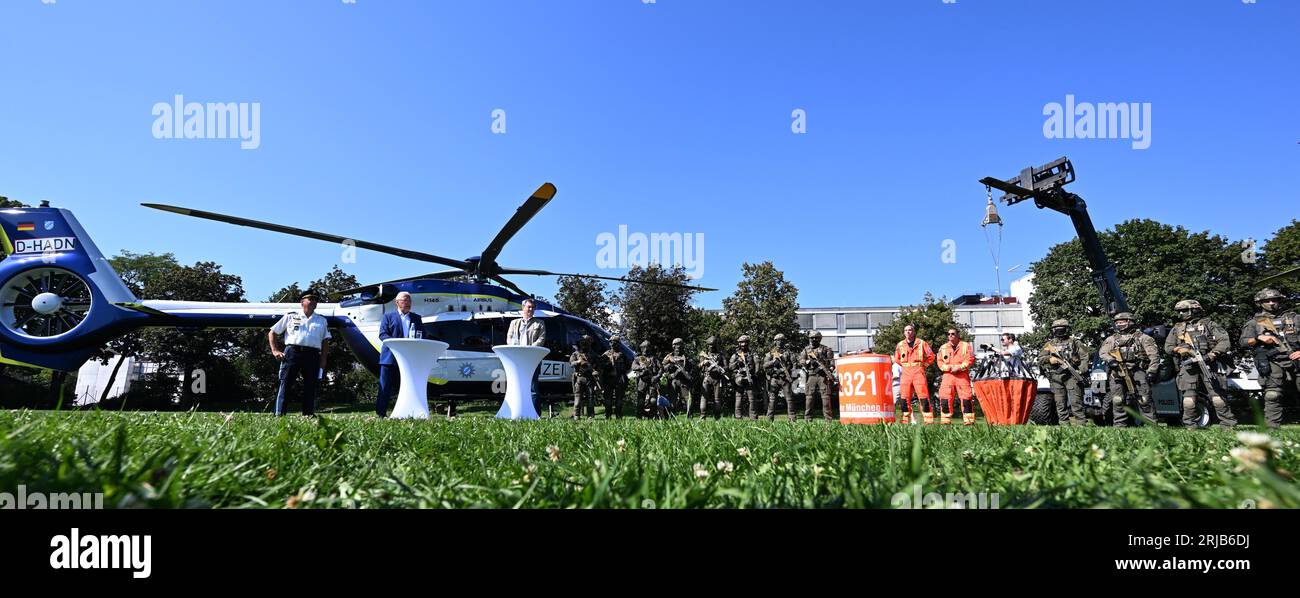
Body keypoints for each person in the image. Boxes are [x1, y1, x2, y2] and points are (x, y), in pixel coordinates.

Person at [1166, 300, 1236, 429]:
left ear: (1195, 309)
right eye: (1180, 311)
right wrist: (1179, 350)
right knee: (1188, 400)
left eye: (1184, 310)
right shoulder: (1178, 328)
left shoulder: (1210, 324)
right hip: (1189, 367)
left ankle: (1228, 425)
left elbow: (1225, 342)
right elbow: (1168, 347)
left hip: (1210, 364)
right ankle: (1190, 427)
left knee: (1218, 397)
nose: (1182, 313)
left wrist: (1212, 355)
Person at [1239, 288, 1300, 428]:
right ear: (1260, 303)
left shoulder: (1295, 318)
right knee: (1272, 394)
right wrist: (1258, 338)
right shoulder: (1254, 322)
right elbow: (1243, 342)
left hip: (1296, 358)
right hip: (1273, 361)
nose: (1271, 303)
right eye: (1267, 301)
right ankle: (1272, 427)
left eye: (1275, 300)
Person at [268, 289, 331, 417]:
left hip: (312, 354)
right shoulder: (291, 315)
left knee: (310, 385)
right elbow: (273, 332)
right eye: (311, 299)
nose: (314, 302)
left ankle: (308, 414)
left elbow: (325, 341)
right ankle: (279, 414)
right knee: (286, 383)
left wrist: (323, 359)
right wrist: (275, 350)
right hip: (293, 352)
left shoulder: (321, 320)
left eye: (316, 300)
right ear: (302, 302)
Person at [1100, 312, 1159, 427]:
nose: (1119, 324)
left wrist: (1152, 370)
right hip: (1118, 372)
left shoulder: (1143, 338)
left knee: (1144, 399)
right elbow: (1103, 352)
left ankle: (1151, 426)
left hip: (1138, 371)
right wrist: (1111, 360)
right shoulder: (1111, 339)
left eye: (1122, 322)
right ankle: (1120, 427)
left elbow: (1154, 356)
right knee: (1117, 400)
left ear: (1130, 321)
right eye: (1117, 322)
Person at [375, 291, 424, 418]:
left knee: (408, 387)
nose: (407, 302)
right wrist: (396, 344)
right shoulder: (388, 316)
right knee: (385, 387)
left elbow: (422, 335)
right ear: (397, 303)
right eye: (404, 300)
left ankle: (407, 413)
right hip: (390, 358)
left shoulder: (417, 318)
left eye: (409, 300)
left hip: (409, 359)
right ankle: (381, 414)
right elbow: (383, 334)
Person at [1037, 319, 1090, 426]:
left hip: (1072, 376)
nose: (1059, 331)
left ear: (1067, 329)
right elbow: (1040, 358)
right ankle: (1064, 425)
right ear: (1053, 330)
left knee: (1076, 402)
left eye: (1062, 329)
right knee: (1060, 403)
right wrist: (1049, 359)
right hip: (1056, 376)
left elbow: (1085, 357)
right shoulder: (1049, 344)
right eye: (1057, 329)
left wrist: (1081, 370)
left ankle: (1081, 425)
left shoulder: (1075, 342)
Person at [507, 298, 548, 413]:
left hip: (532, 359)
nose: (531, 309)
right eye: (529, 307)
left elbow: (541, 339)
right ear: (523, 308)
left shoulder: (540, 323)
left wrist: (529, 351)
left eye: (533, 307)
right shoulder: (514, 323)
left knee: (533, 389)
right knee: (517, 387)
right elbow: (509, 339)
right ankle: (518, 412)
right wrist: (516, 350)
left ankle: (535, 415)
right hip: (517, 359)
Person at [892, 324, 935, 424]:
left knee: (923, 396)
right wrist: (905, 366)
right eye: (906, 330)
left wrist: (923, 366)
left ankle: (928, 420)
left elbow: (931, 356)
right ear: (904, 332)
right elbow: (897, 359)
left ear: (914, 332)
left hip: (918, 372)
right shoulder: (900, 345)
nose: (908, 332)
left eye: (910, 330)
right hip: (905, 373)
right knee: (904, 397)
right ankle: (905, 420)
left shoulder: (922, 343)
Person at [936, 328, 975, 425]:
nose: (950, 335)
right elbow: (939, 362)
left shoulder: (966, 346)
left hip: (962, 376)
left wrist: (959, 368)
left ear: (958, 335)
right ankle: (945, 422)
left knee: (966, 398)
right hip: (948, 376)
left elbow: (970, 359)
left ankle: (968, 422)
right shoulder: (943, 347)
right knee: (945, 397)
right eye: (948, 334)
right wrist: (949, 368)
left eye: (953, 334)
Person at [800, 331, 837, 421]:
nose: (814, 339)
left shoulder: (826, 349)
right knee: (809, 398)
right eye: (812, 338)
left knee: (825, 398)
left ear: (820, 338)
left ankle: (828, 420)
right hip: (811, 375)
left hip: (823, 376)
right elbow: (801, 360)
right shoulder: (806, 350)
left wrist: (829, 370)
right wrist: (808, 362)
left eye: (816, 337)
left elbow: (832, 362)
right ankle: (808, 420)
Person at [764, 333, 797, 421]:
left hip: (786, 379)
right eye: (778, 340)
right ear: (775, 342)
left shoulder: (789, 353)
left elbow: (794, 365)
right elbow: (765, 365)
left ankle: (792, 419)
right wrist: (773, 361)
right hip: (774, 379)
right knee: (772, 400)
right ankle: (769, 420)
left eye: (781, 340)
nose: (780, 342)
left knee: (789, 399)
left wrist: (793, 377)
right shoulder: (770, 353)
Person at [697, 336, 728, 420]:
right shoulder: (704, 355)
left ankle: (717, 418)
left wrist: (722, 370)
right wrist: (704, 362)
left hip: (717, 379)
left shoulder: (721, 355)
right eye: (709, 345)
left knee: (717, 399)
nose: (711, 347)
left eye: (713, 345)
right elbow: (698, 366)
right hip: (707, 378)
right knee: (704, 398)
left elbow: (726, 367)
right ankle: (702, 417)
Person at [661, 338, 694, 416]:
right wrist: (670, 364)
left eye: (679, 344)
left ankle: (689, 416)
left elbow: (691, 368)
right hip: (673, 381)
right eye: (676, 344)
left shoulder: (686, 357)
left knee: (688, 399)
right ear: (673, 346)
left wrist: (686, 372)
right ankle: (671, 417)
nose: (678, 346)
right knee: (672, 400)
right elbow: (663, 368)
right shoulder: (669, 356)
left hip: (684, 381)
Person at [729, 335, 760, 419]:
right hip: (740, 378)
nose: (744, 344)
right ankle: (738, 417)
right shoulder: (735, 355)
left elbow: (757, 364)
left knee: (752, 399)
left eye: (745, 342)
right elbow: (730, 367)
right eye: (742, 342)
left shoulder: (753, 354)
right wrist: (737, 362)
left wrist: (755, 374)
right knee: (738, 398)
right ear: (739, 344)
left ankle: (753, 417)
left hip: (750, 377)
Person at [600, 335, 630, 418]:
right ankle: (608, 415)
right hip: (608, 379)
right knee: (608, 399)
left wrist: (622, 370)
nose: (613, 344)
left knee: (619, 399)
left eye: (616, 342)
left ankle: (618, 415)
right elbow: (600, 366)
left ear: (619, 344)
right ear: (610, 343)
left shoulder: (622, 355)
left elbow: (628, 366)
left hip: (619, 379)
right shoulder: (606, 354)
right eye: (612, 342)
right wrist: (609, 364)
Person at [569, 334, 599, 418]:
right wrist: (578, 362)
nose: (584, 344)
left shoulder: (593, 354)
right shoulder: (576, 354)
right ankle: (576, 415)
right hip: (579, 378)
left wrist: (596, 371)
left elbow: (598, 365)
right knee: (578, 398)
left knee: (590, 398)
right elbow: (571, 364)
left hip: (590, 378)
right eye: (583, 342)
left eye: (586, 342)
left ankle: (590, 415)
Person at [631, 340, 661, 419]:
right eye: (643, 348)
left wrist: (657, 376)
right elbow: (633, 366)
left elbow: (661, 368)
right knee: (640, 401)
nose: (645, 349)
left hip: (652, 381)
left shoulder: (654, 359)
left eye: (647, 347)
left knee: (653, 400)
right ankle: (639, 417)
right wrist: (641, 367)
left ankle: (652, 417)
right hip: (642, 381)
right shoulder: (638, 358)